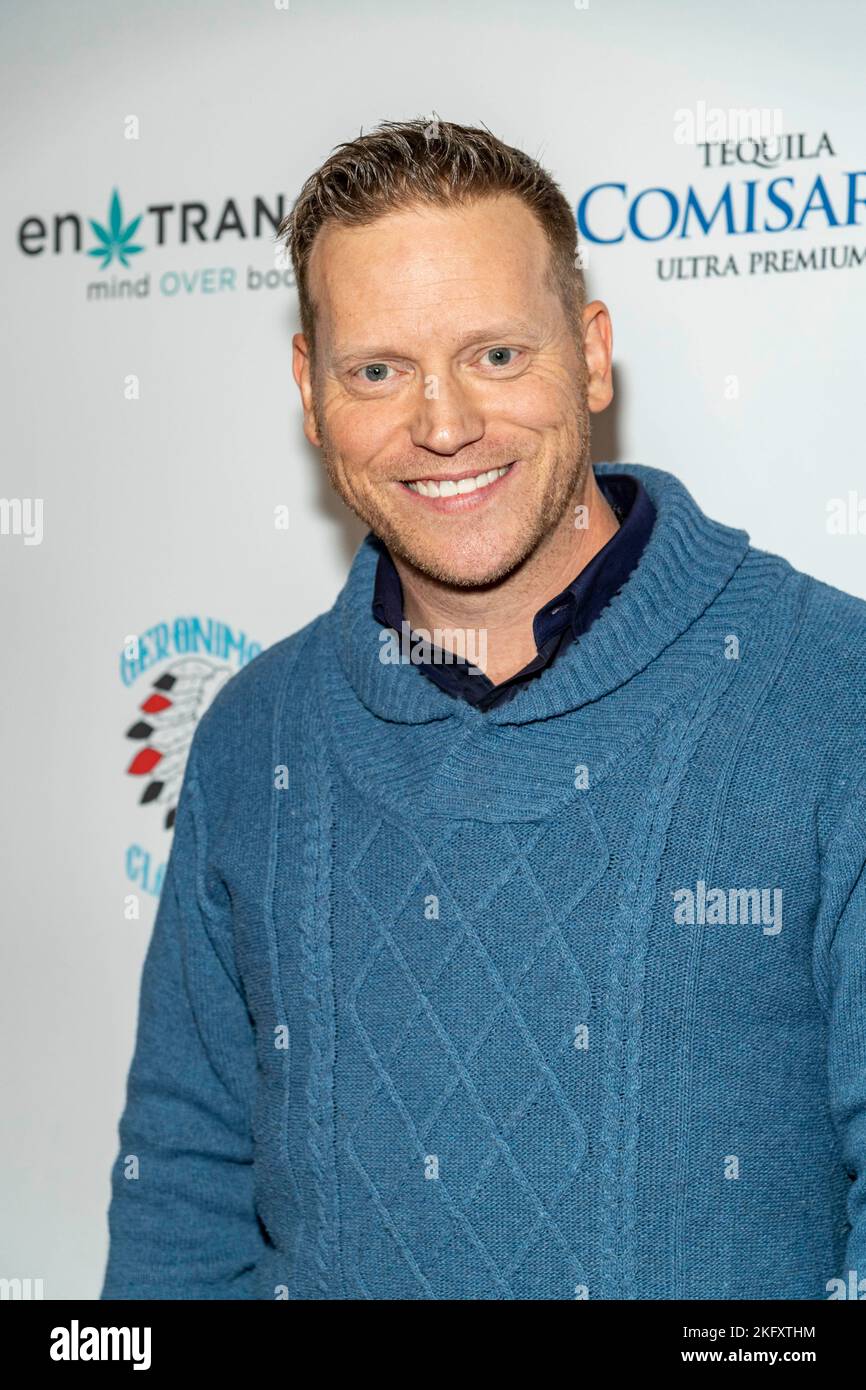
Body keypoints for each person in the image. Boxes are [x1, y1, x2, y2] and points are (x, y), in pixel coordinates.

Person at [101, 117, 866, 1301]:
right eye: (377, 370)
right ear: (311, 393)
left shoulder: (831, 692)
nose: (444, 423)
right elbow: (182, 1209)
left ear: (592, 354)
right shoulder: (254, 737)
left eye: (496, 355)